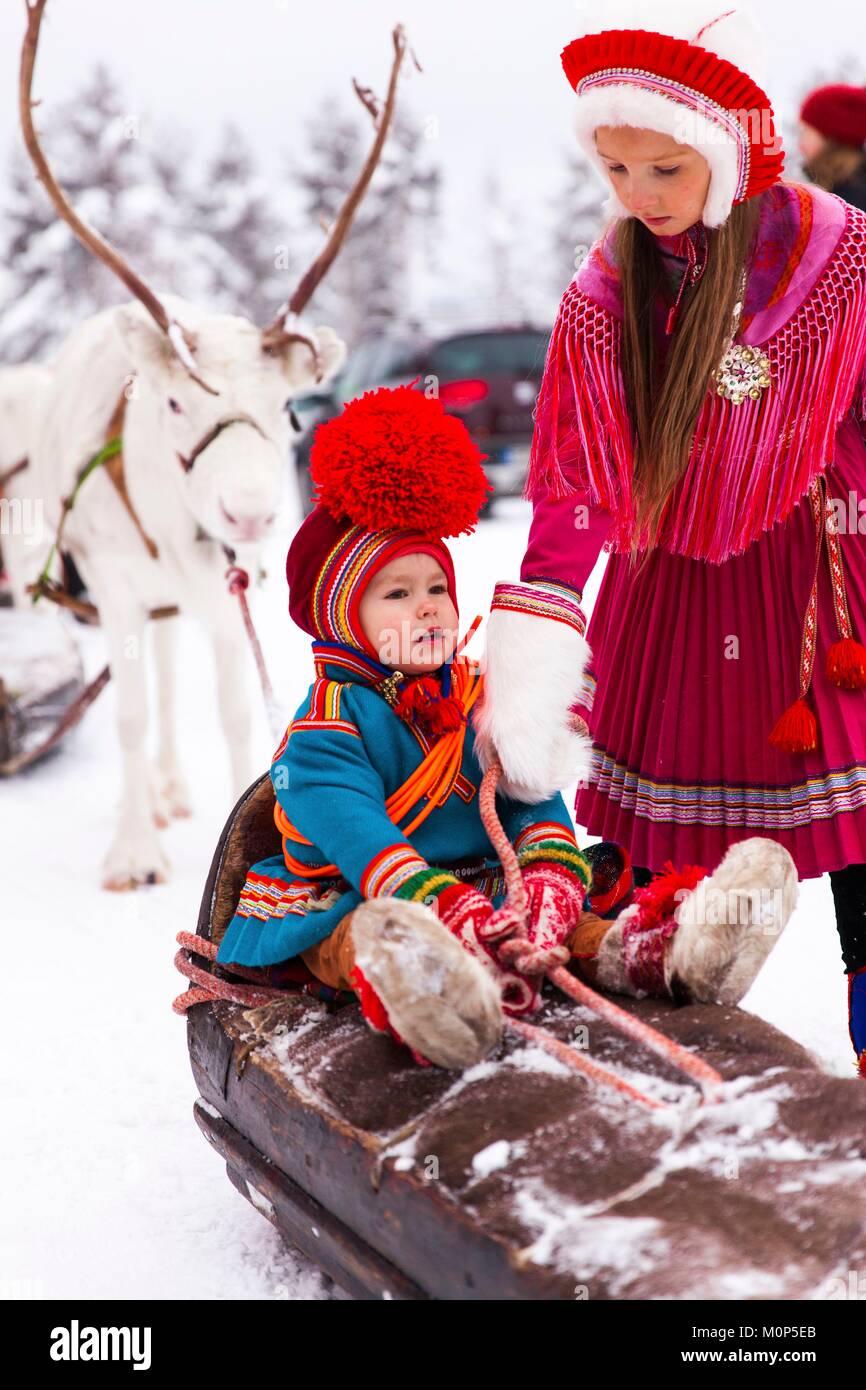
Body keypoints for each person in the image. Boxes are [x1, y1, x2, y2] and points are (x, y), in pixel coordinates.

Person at [474, 2, 866, 1076]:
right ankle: (630, 999)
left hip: (818, 584)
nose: (636, 199)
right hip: (672, 591)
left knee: (860, 846)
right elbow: (572, 479)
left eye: (661, 170)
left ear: (719, 158)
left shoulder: (834, 263)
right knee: (654, 839)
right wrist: (538, 642)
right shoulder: (607, 296)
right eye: (614, 172)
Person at [215, 382, 796, 1070]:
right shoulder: (326, 726)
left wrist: (549, 873)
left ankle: (672, 954)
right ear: (346, 616)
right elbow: (356, 832)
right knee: (363, 939)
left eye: (436, 589)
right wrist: (439, 904)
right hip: (360, 894)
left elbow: (527, 787)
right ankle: (431, 993)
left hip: (492, 890)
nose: (428, 609)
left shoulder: (474, 695)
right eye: (396, 595)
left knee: (573, 927)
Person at [799, 83, 866, 212]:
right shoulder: (841, 188)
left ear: (832, 139)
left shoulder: (851, 203)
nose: (801, 145)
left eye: (807, 132)